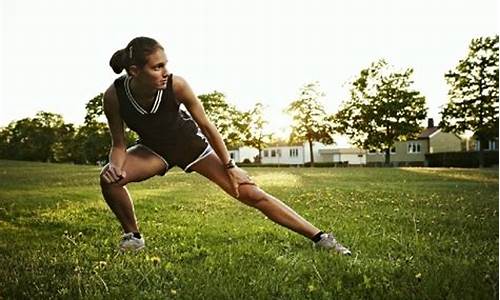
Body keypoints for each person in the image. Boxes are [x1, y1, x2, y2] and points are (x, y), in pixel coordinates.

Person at [100, 36, 351, 255]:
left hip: (192, 147)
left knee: (251, 193)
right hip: (153, 151)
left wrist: (231, 166)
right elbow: (119, 144)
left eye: (166, 64)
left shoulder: (177, 85)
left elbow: (208, 127)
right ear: (134, 71)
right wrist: (115, 165)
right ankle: (133, 237)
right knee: (109, 180)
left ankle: (321, 238)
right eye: (157, 67)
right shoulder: (114, 96)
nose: (165, 72)